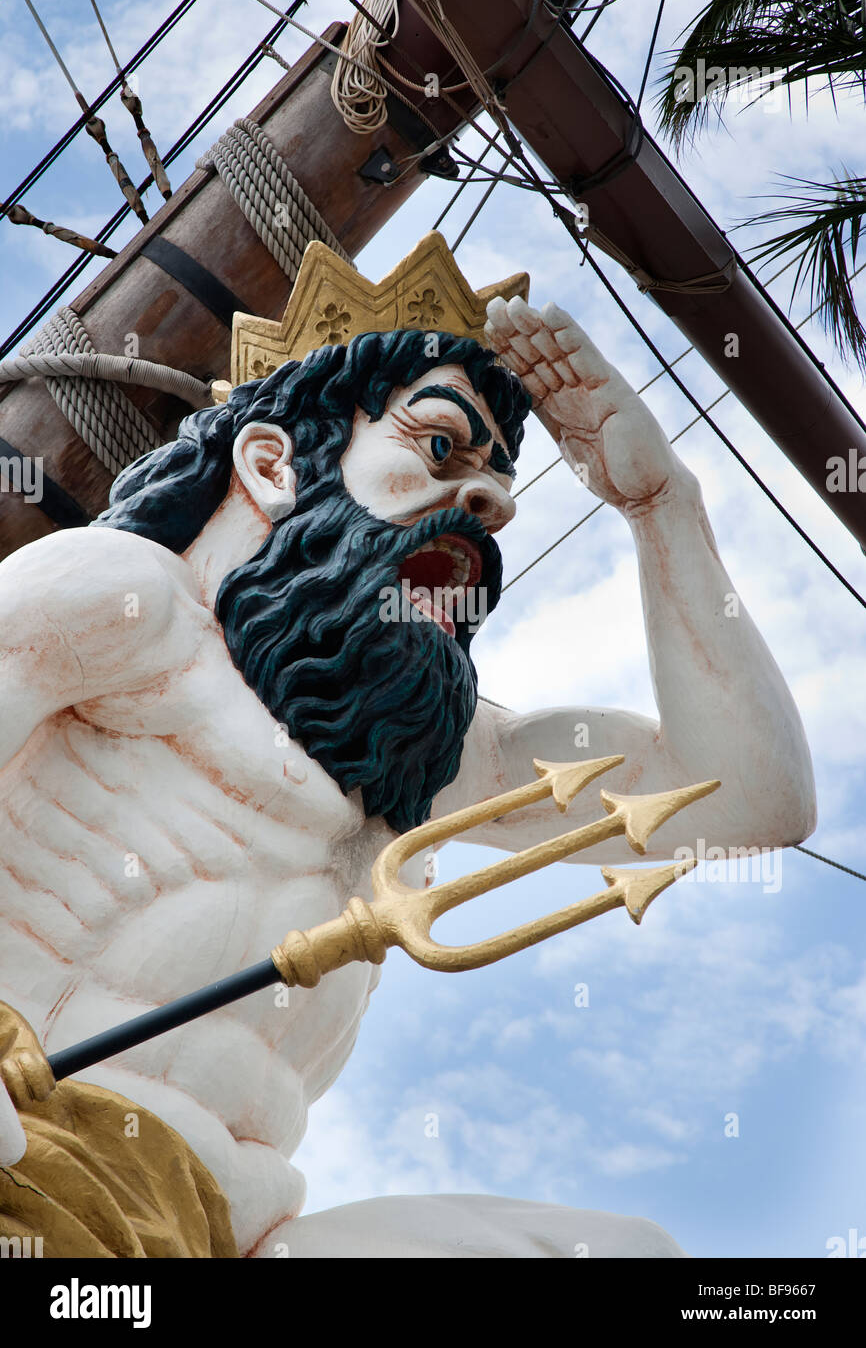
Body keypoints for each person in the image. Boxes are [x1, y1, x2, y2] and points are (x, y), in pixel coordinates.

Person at [0, 276, 815, 1257]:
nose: (487, 499)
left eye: (497, 481)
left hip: (232, 1230)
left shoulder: (433, 770)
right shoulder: (127, 603)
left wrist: (656, 503)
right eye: (439, 446)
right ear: (271, 464)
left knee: (625, 1253)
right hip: (25, 1152)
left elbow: (748, 800)